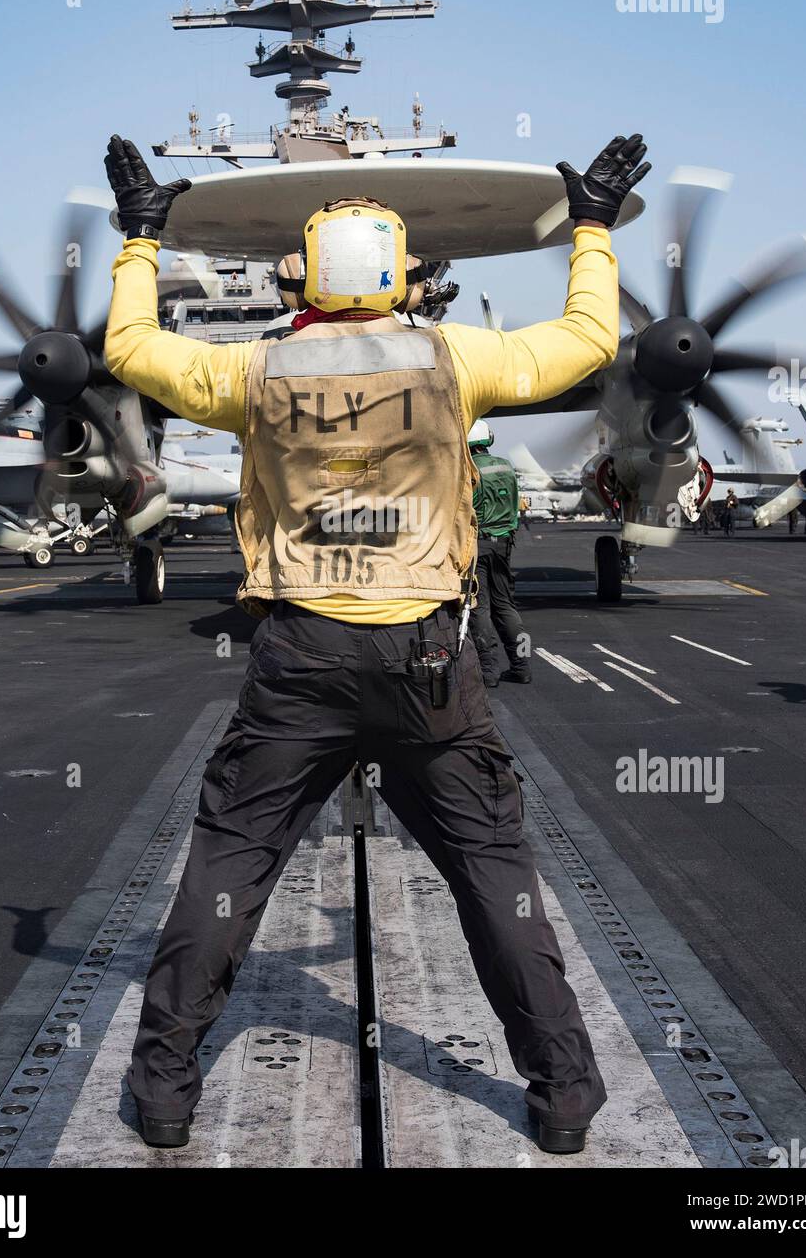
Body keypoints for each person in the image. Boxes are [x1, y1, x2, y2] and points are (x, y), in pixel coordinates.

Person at [101, 131, 651, 1156]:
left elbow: (132, 353)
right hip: (430, 665)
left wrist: (140, 240)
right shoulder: (455, 359)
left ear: (301, 273)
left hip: (298, 661)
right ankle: (564, 1097)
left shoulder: (252, 371)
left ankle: (164, 1090)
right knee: (495, 875)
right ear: (404, 274)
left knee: (225, 867)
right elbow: (582, 341)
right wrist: (590, 227)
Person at [467, 421, 531, 686]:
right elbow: (516, 504)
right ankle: (521, 666)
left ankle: (488, 671)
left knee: (479, 606)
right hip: (504, 543)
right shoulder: (505, 466)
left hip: (478, 545)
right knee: (505, 605)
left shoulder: (468, 470)